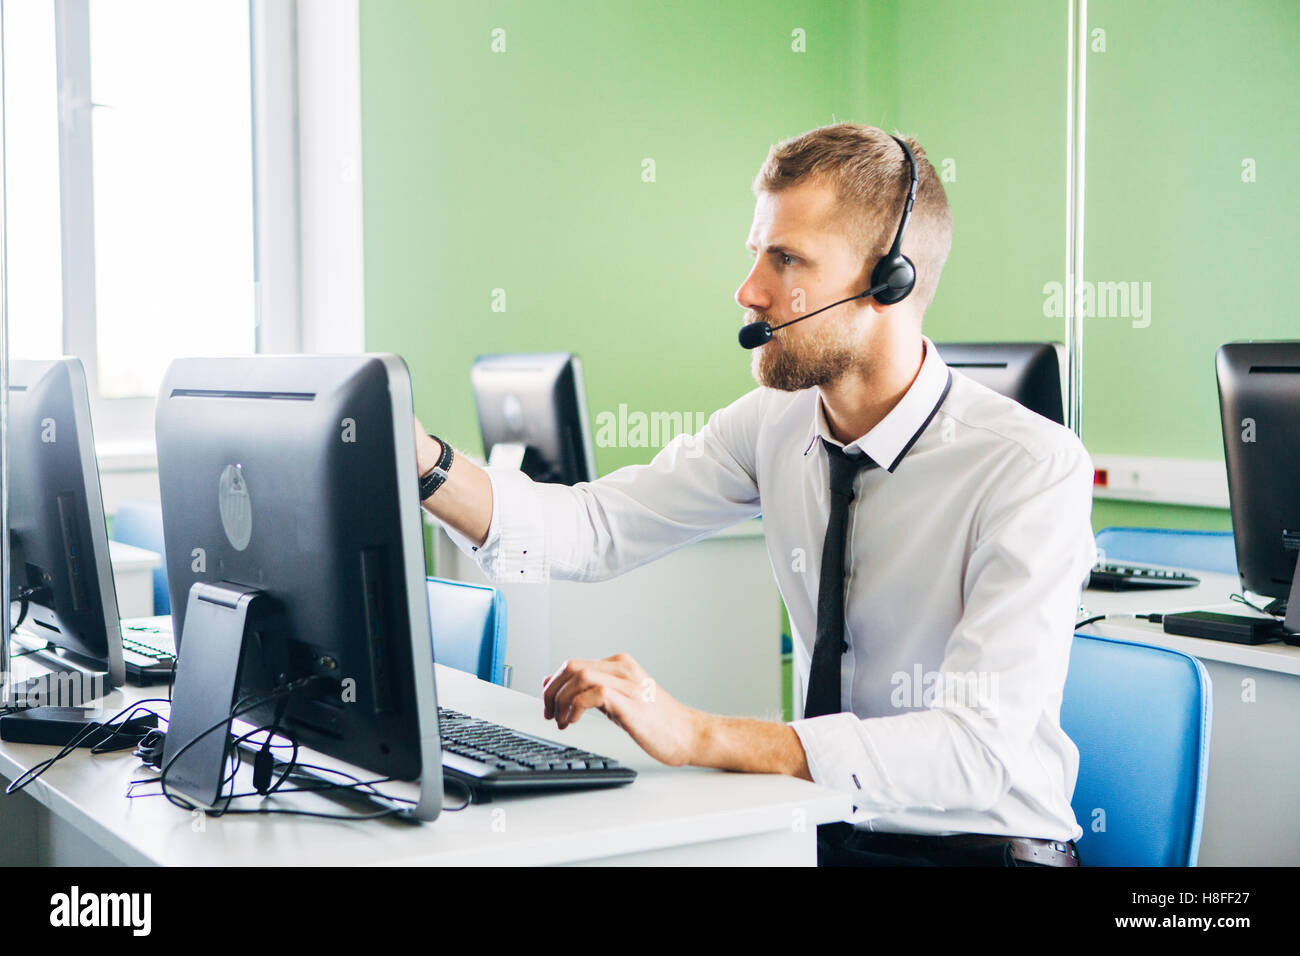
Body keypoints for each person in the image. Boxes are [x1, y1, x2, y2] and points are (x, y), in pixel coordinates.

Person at [414, 123, 1094, 866]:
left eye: (787, 259)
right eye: (755, 255)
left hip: (981, 851)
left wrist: (699, 735)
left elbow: (971, 747)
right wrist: (420, 461)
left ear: (887, 281)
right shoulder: (776, 423)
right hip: (817, 830)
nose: (749, 292)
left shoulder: (1031, 467)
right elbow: (595, 527)